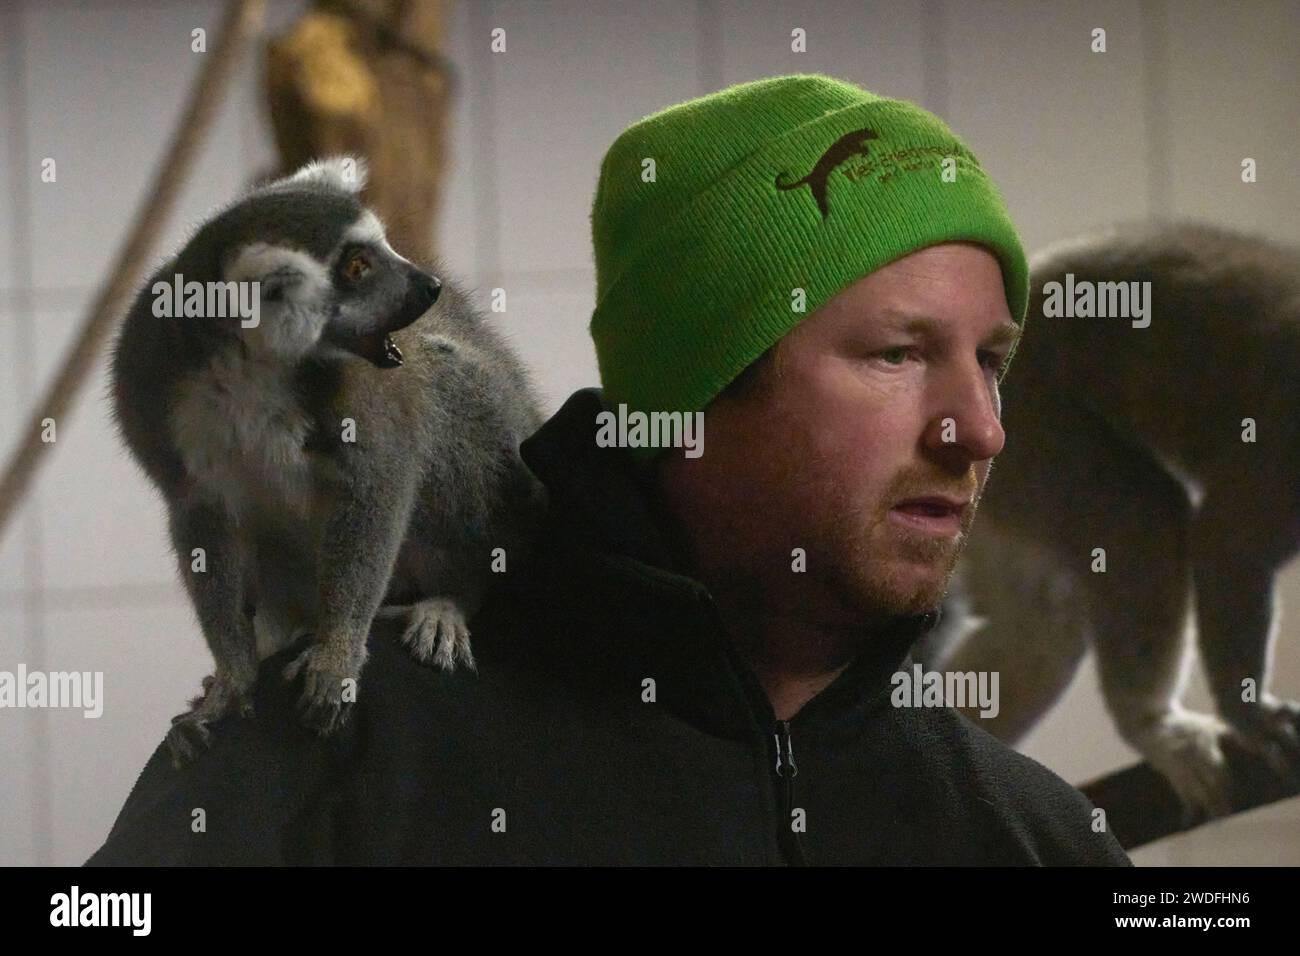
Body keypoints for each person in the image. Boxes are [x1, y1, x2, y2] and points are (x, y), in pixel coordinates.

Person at [88, 73, 1131, 866]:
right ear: (693, 393)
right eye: (896, 355)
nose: (978, 429)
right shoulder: (335, 768)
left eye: (990, 359)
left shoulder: (1029, 832)